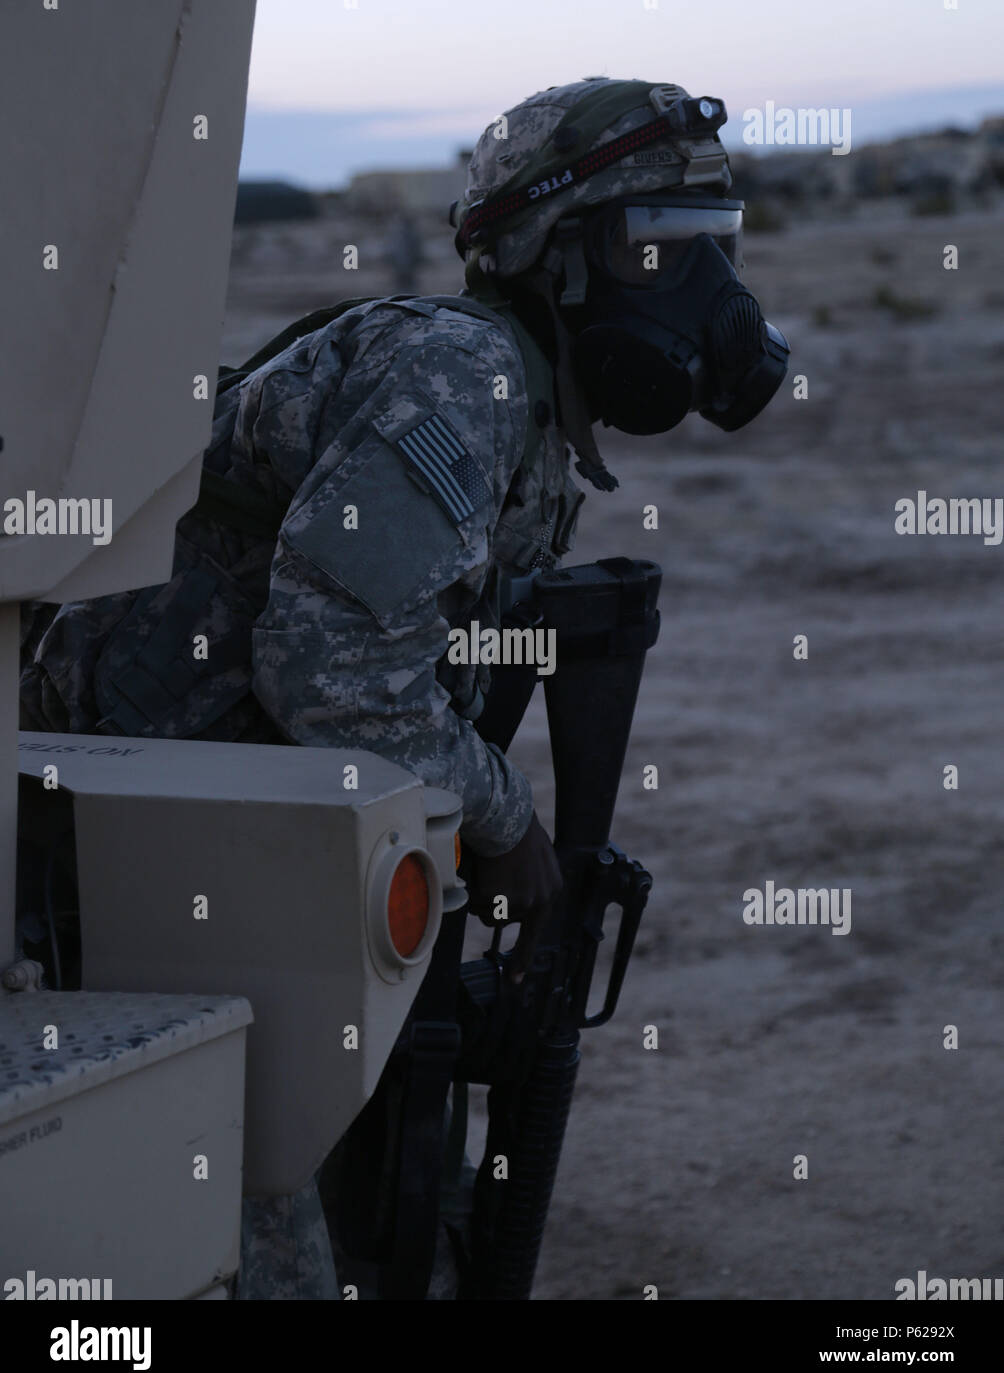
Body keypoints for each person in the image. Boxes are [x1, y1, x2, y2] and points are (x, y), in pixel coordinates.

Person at [20, 76, 789, 1298]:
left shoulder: (524, 408)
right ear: (557, 261)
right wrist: (502, 817)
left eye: (711, 251)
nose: (704, 295)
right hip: (130, 823)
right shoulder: (460, 374)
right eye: (658, 250)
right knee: (249, 1202)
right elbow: (332, 674)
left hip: (233, 810)